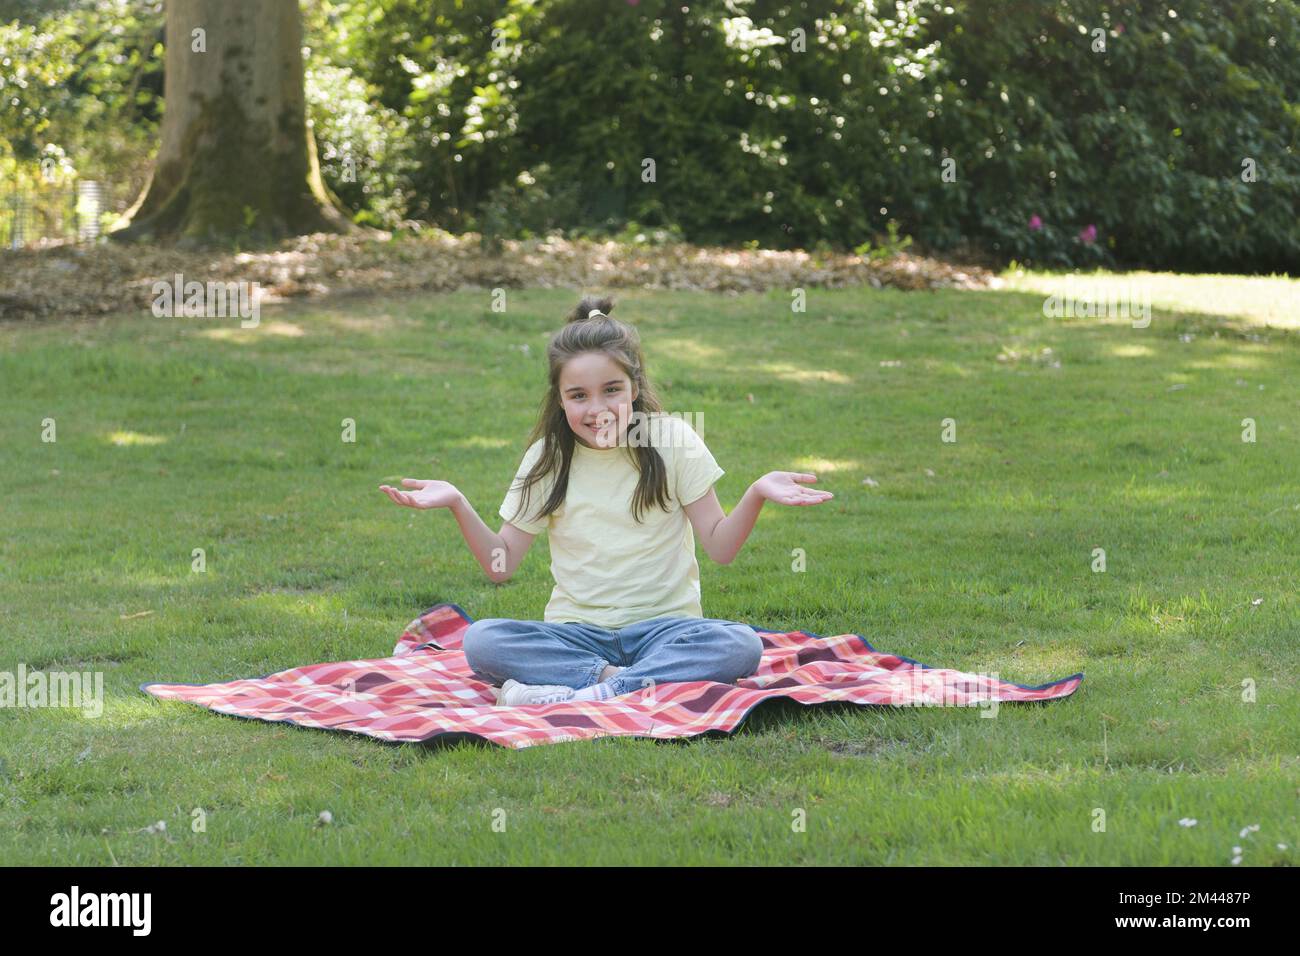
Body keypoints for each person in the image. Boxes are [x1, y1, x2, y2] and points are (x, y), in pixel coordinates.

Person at [379, 294, 833, 705]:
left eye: (611, 390)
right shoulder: (548, 458)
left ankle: (589, 690)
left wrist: (756, 492)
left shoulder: (672, 441)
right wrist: (458, 502)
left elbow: (721, 548)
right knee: (482, 640)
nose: (597, 409)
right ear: (560, 401)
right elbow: (502, 565)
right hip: (576, 635)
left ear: (634, 388)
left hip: (667, 630)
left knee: (740, 646)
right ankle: (620, 681)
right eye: (579, 396)